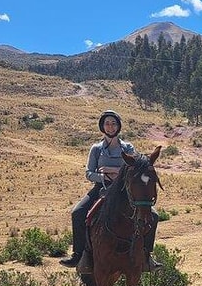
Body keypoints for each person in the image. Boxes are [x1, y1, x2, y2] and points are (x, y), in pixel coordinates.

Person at [60, 110, 161, 271]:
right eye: (107, 123)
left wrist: (110, 170)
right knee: (77, 212)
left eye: (113, 123)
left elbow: (134, 169)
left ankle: (147, 255)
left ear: (118, 126)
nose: (110, 126)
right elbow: (89, 173)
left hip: (124, 190)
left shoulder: (128, 147)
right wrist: (105, 177)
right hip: (102, 188)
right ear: (102, 126)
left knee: (153, 216)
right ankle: (78, 254)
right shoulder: (96, 149)